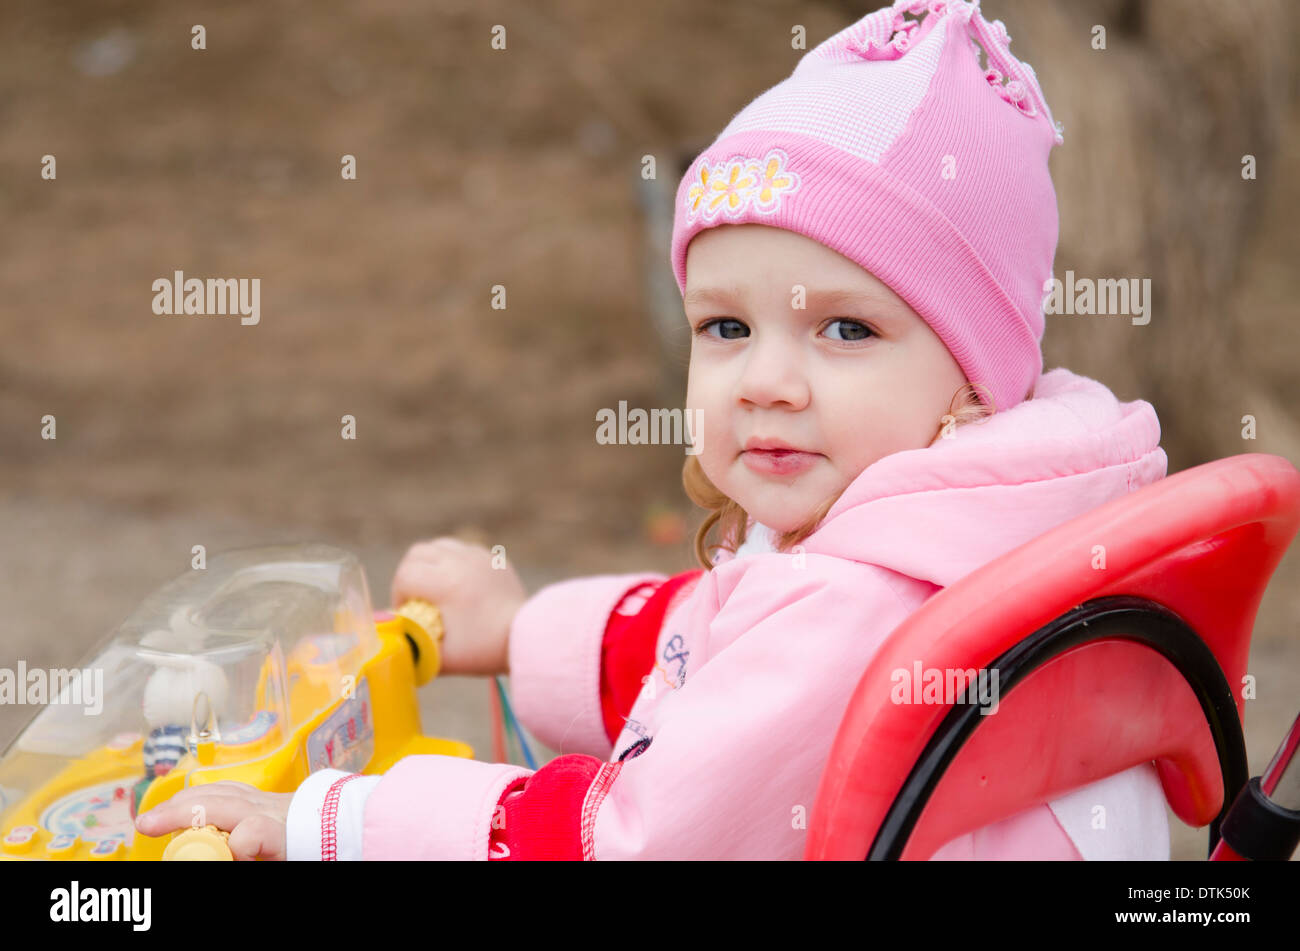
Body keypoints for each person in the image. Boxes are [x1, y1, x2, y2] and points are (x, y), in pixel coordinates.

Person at [135, 0, 1172, 860]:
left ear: (976, 368)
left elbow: (634, 841)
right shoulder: (972, 521)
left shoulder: (869, 601)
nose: (764, 379)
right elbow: (713, 640)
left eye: (844, 328)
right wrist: (521, 630)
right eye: (726, 325)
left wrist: (332, 819)